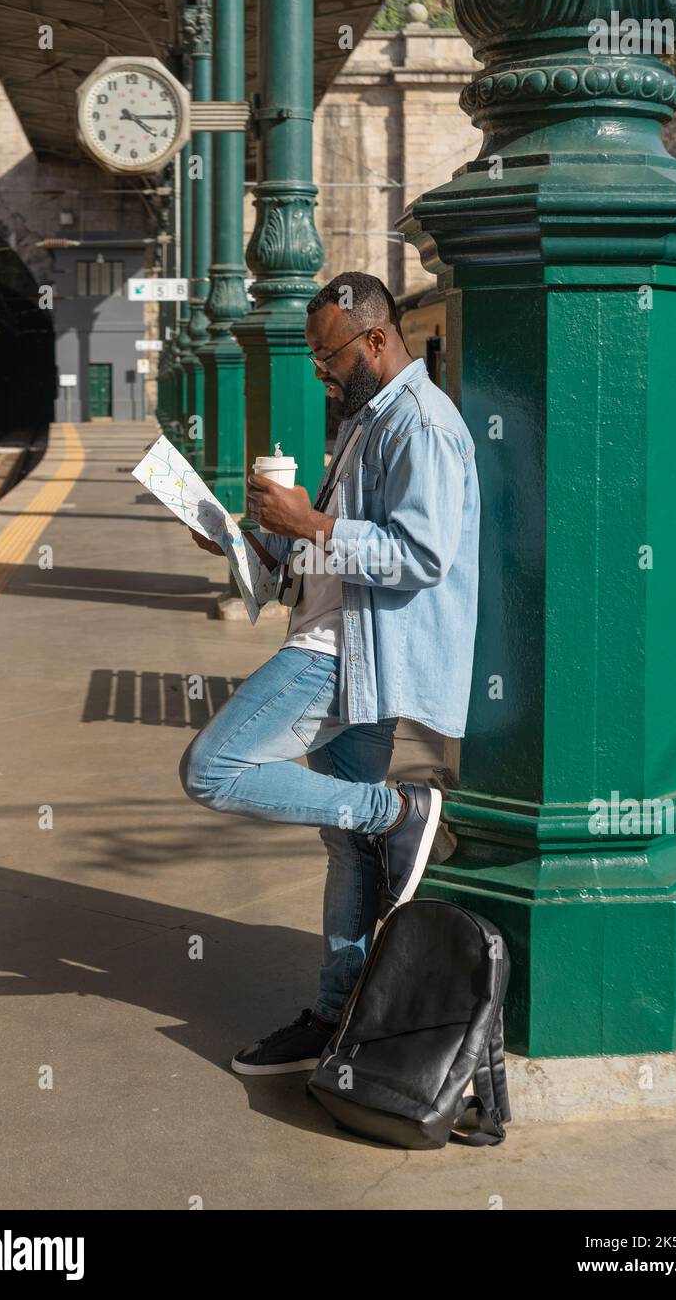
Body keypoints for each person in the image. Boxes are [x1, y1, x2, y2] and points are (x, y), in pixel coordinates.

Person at [180, 271, 480, 1075]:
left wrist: (308, 520)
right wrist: (254, 544)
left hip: (350, 652)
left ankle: (402, 808)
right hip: (338, 634)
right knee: (345, 846)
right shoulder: (363, 420)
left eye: (327, 356)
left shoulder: (420, 425)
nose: (320, 371)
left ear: (376, 339)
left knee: (214, 768)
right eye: (314, 358)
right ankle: (334, 1012)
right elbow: (330, 550)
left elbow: (422, 555)